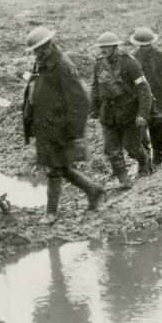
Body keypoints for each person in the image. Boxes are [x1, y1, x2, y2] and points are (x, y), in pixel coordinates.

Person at [22, 27, 105, 222]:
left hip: (60, 127)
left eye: (39, 49)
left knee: (55, 169)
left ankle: (51, 213)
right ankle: (93, 190)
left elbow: (81, 101)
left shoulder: (63, 66)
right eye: (34, 50)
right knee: (59, 167)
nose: (36, 53)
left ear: (48, 45)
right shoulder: (41, 62)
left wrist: (75, 134)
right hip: (46, 125)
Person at [89, 31, 152, 188]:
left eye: (106, 47)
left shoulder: (129, 63)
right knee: (112, 150)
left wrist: (143, 114)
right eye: (101, 47)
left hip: (129, 113)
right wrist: (93, 108)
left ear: (115, 47)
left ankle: (145, 163)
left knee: (132, 148)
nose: (103, 50)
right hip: (107, 114)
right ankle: (124, 180)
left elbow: (144, 89)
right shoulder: (98, 63)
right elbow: (95, 86)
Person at [127, 27, 162, 168]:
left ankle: (158, 159)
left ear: (151, 43)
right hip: (141, 103)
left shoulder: (161, 56)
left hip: (161, 102)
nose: (145, 48)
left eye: (147, 45)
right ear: (137, 44)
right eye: (142, 46)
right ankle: (146, 161)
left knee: (159, 132)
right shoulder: (133, 58)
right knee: (140, 133)